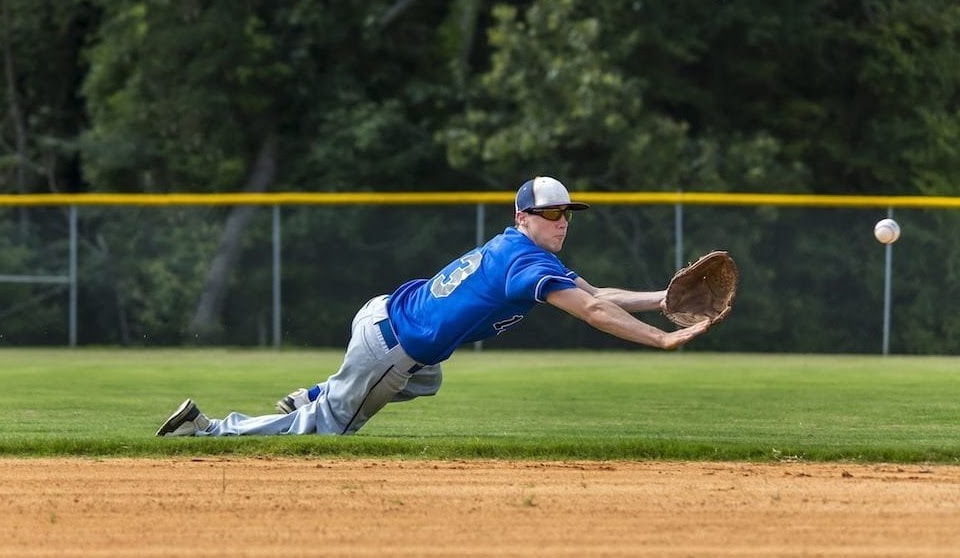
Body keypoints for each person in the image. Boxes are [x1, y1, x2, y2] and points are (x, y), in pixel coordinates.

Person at [156, 176, 713, 437]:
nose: (561, 221)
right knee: (324, 432)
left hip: (386, 317)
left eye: (567, 213)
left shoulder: (520, 252)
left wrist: (660, 301)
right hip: (392, 345)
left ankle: (323, 390)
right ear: (523, 217)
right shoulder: (526, 263)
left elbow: (596, 295)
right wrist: (661, 339)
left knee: (428, 379)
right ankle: (206, 431)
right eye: (550, 213)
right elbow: (592, 313)